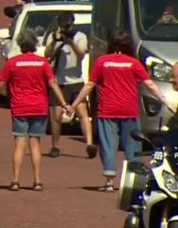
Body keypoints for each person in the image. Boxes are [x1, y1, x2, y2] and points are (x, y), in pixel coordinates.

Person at [70, 29, 175, 192]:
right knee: (133, 145)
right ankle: (132, 181)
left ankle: (109, 180)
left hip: (108, 109)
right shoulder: (133, 63)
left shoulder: (102, 62)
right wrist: (166, 101)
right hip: (129, 110)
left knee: (108, 145)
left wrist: (74, 104)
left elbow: (89, 85)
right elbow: (150, 84)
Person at [0, 30, 71, 191]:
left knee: (19, 145)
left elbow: (0, 86)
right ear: (35, 45)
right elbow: (53, 84)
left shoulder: (12, 63)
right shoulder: (43, 63)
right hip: (39, 107)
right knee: (35, 144)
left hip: (20, 107)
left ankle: (15, 180)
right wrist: (64, 103)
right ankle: (37, 180)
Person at [43, 12, 96, 158]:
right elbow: (46, 54)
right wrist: (55, 41)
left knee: (82, 112)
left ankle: (89, 144)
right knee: (56, 115)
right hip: (59, 81)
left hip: (76, 81)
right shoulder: (54, 36)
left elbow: (81, 55)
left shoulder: (80, 37)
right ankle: (55, 145)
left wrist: (70, 42)